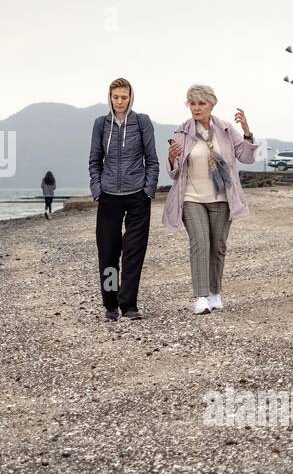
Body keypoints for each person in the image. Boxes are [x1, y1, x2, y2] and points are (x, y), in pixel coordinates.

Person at [162, 85, 258, 314]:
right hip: (191, 197)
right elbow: (174, 174)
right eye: (192, 103)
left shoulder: (226, 129)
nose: (196, 108)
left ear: (211, 105)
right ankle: (201, 297)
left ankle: (215, 293)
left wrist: (246, 131)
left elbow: (246, 157)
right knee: (200, 243)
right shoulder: (182, 132)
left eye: (201, 103)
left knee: (218, 246)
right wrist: (172, 158)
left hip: (222, 198)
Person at [88, 78, 159, 321]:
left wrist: (148, 190)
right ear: (110, 98)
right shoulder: (101, 124)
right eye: (116, 97)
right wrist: (97, 189)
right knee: (108, 254)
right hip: (108, 197)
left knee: (133, 253)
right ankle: (110, 305)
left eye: (124, 97)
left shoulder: (141, 122)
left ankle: (129, 305)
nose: (120, 101)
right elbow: (94, 161)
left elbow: (152, 159)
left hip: (137, 196)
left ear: (131, 97)